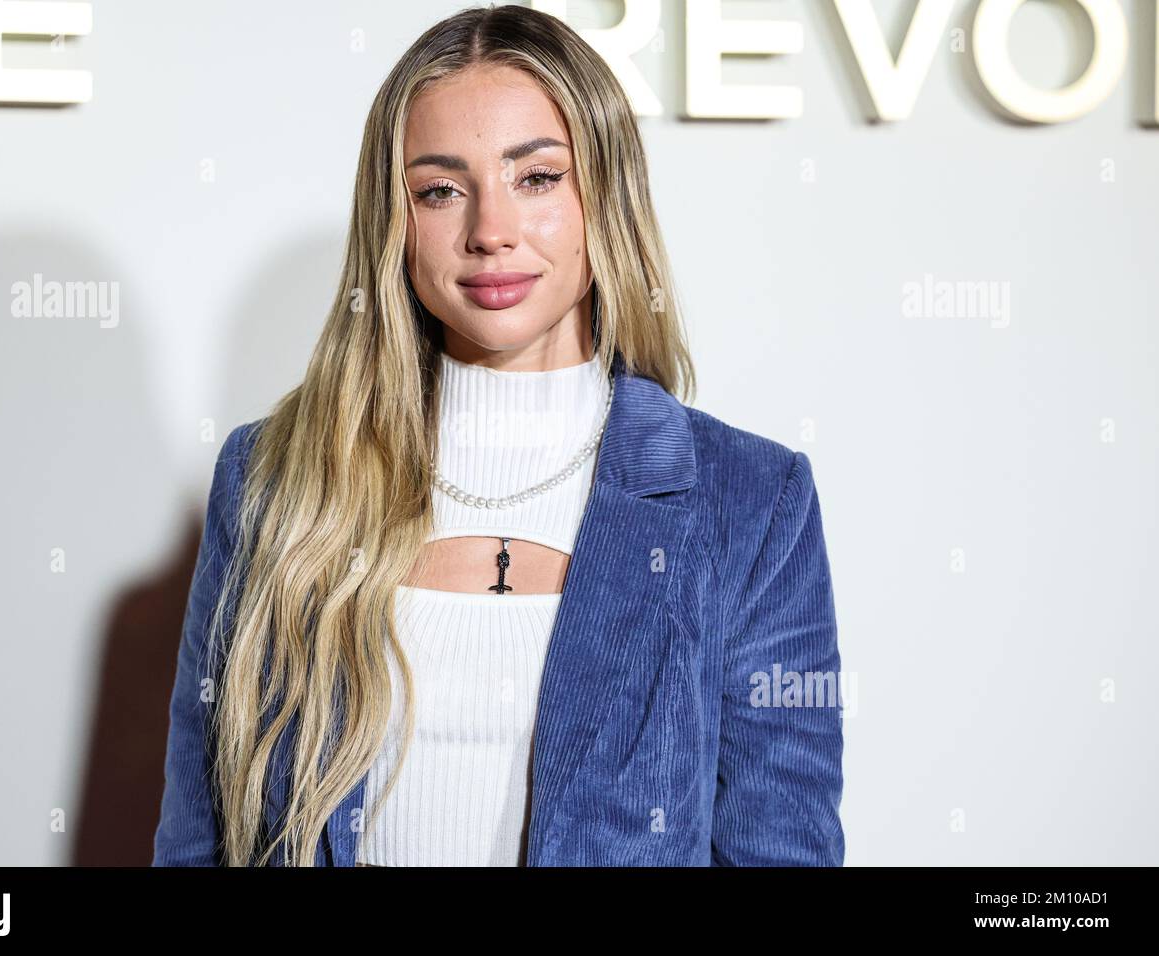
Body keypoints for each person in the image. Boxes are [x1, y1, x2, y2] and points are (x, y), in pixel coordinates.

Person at [153, 3, 845, 868]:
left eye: (537, 177)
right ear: (394, 223)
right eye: (441, 189)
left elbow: (782, 851)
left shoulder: (749, 499)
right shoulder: (272, 478)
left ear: (607, 195)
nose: (489, 231)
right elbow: (197, 840)